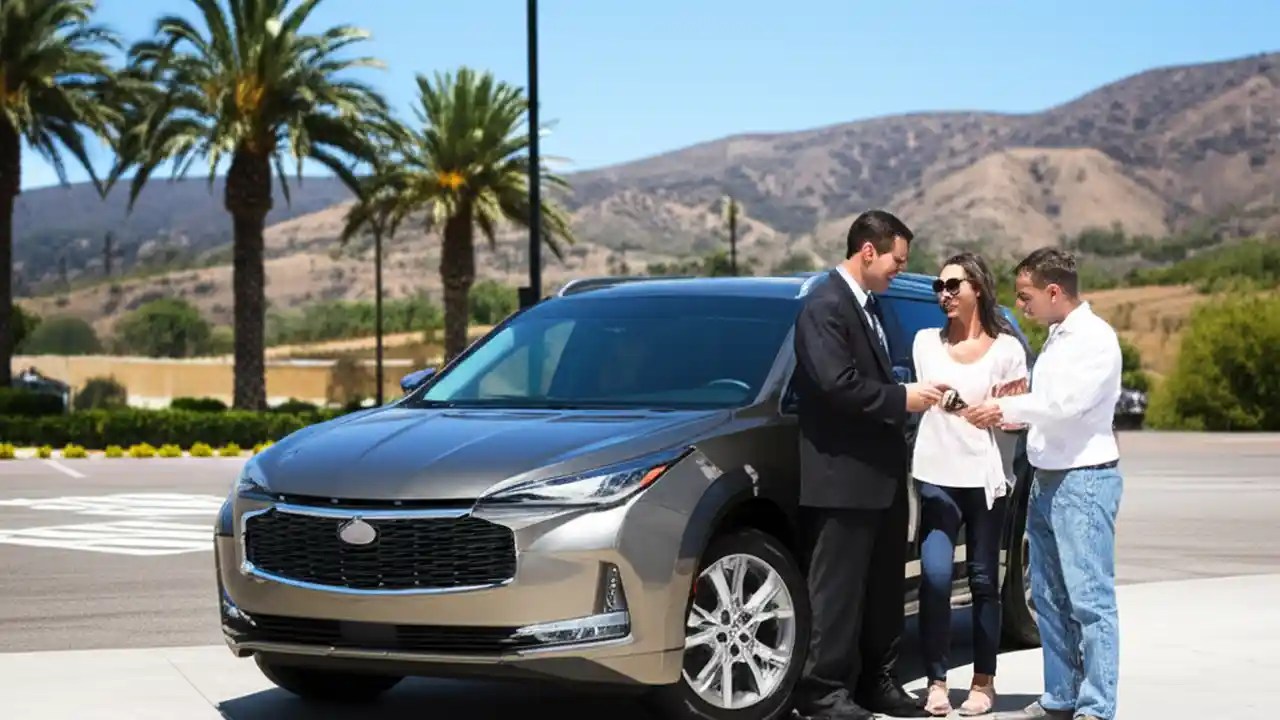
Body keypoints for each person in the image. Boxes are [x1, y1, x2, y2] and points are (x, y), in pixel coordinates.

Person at [791, 209, 945, 720]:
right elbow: (836, 385)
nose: (901, 269)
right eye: (897, 260)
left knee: (883, 593)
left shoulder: (871, 306)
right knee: (836, 594)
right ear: (868, 251)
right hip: (842, 480)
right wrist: (903, 398)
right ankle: (822, 694)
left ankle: (878, 684)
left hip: (882, 479)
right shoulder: (824, 306)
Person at [962, 247, 1123, 720]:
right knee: (1048, 597)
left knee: (1089, 600)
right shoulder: (1057, 338)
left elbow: (1065, 404)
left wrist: (1006, 408)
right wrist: (1015, 413)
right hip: (1047, 480)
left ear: (1054, 291)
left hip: (1084, 480)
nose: (1021, 305)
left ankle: (1097, 706)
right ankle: (1060, 696)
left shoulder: (1095, 339)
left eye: (1025, 296)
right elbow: (1047, 409)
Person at [909, 252, 1029, 716]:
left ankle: (983, 681)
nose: (944, 294)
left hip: (985, 480)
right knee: (935, 578)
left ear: (976, 287)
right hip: (936, 475)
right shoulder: (924, 344)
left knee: (983, 581)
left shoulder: (1007, 350)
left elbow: (1019, 417)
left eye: (953, 285)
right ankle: (936, 682)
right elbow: (922, 398)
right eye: (939, 287)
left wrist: (997, 412)